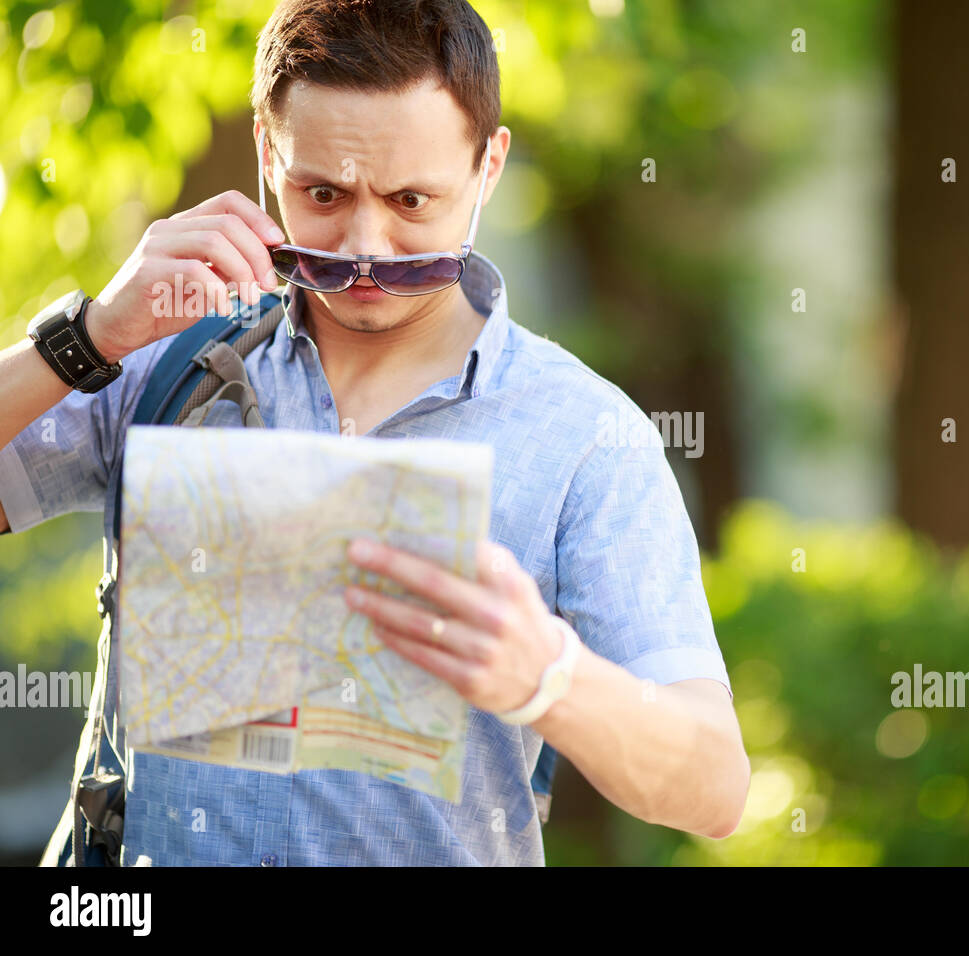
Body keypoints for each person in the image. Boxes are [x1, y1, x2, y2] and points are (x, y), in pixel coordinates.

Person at [0, 0, 747, 866]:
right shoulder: (164, 362)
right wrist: (86, 338)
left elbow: (716, 789)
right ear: (265, 150)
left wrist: (550, 679)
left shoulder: (585, 438)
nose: (363, 247)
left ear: (489, 165)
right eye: (322, 193)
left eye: (411, 201)